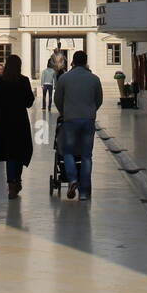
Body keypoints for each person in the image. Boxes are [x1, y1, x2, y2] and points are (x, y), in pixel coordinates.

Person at [0, 54, 35, 198]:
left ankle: (12, 183)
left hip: (4, 120)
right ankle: (16, 180)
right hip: (20, 120)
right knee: (19, 151)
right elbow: (29, 102)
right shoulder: (23, 81)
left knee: (9, 153)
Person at [54, 50, 102, 201]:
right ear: (86, 62)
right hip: (88, 120)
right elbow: (99, 100)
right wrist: (90, 111)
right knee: (87, 155)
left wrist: (65, 111)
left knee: (67, 151)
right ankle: (84, 193)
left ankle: (72, 178)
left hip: (70, 119)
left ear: (72, 62)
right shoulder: (94, 79)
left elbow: (57, 99)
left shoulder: (64, 78)